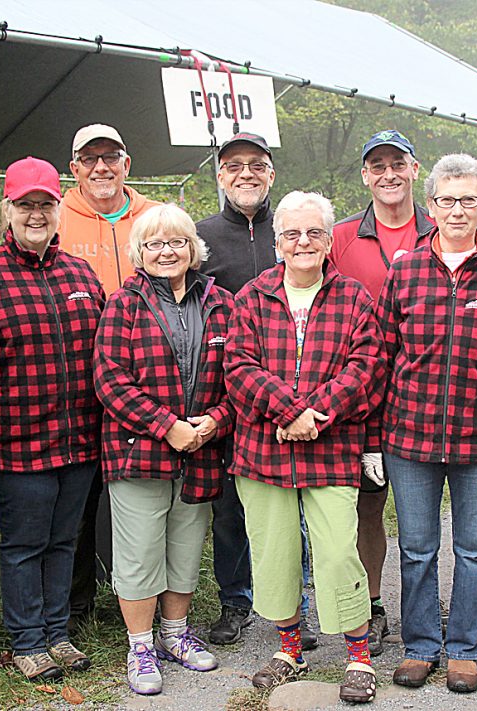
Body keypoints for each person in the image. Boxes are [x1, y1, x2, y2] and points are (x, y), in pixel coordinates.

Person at [377, 154, 477, 694]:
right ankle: (421, 645)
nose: (458, 210)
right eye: (447, 199)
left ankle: (464, 647)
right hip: (408, 439)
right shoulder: (404, 272)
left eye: (469, 200)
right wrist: (373, 440)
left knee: (474, 548)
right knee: (417, 547)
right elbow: (380, 358)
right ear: (431, 206)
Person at [225, 191, 386, 704]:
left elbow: (366, 366)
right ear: (278, 242)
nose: (303, 242)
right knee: (274, 554)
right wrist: (288, 411)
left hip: (331, 446)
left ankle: (358, 657)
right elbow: (238, 366)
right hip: (263, 448)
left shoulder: (354, 298)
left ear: (328, 240)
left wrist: (315, 413)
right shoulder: (252, 296)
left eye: (314, 233)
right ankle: (289, 649)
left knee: (340, 553)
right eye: (292, 233)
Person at [0, 157, 104, 681]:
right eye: (26, 205)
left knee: (65, 540)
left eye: (45, 204)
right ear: (8, 209)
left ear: (58, 209)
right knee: (25, 543)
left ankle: (58, 631)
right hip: (15, 442)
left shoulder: (78, 273)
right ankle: (28, 640)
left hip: (78, 441)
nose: (36, 214)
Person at [94, 204, 234, 696]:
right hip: (139, 450)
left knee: (185, 549)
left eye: (176, 241)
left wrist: (217, 419)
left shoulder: (219, 302)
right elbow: (110, 380)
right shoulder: (124, 303)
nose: (167, 251)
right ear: (140, 253)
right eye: (154, 243)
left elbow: (237, 374)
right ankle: (140, 644)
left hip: (200, 449)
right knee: (138, 554)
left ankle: (175, 634)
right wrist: (165, 425)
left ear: (193, 248)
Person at [331, 129, 433, 655]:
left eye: (399, 163)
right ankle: (369, 604)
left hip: (427, 396)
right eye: (378, 166)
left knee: (429, 516)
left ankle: (436, 608)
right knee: (365, 507)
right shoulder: (343, 236)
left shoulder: (444, 229)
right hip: (362, 396)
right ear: (366, 176)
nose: (389, 174)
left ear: (415, 169)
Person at [58, 123, 162, 631]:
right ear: (74, 168)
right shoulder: (55, 218)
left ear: (127, 163)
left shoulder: (154, 217)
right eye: (89, 158)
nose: (101, 167)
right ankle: (79, 605)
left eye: (111, 157)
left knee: (143, 491)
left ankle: (149, 598)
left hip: (150, 385)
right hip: (78, 383)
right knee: (82, 496)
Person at [195, 132, 276, 646]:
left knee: (294, 503)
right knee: (229, 508)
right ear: (220, 175)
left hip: (293, 391)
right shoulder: (201, 237)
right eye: (233, 166)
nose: (245, 173)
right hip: (227, 395)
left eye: (256, 164)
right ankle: (236, 601)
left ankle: (297, 603)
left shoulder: (292, 227)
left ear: (270, 173)